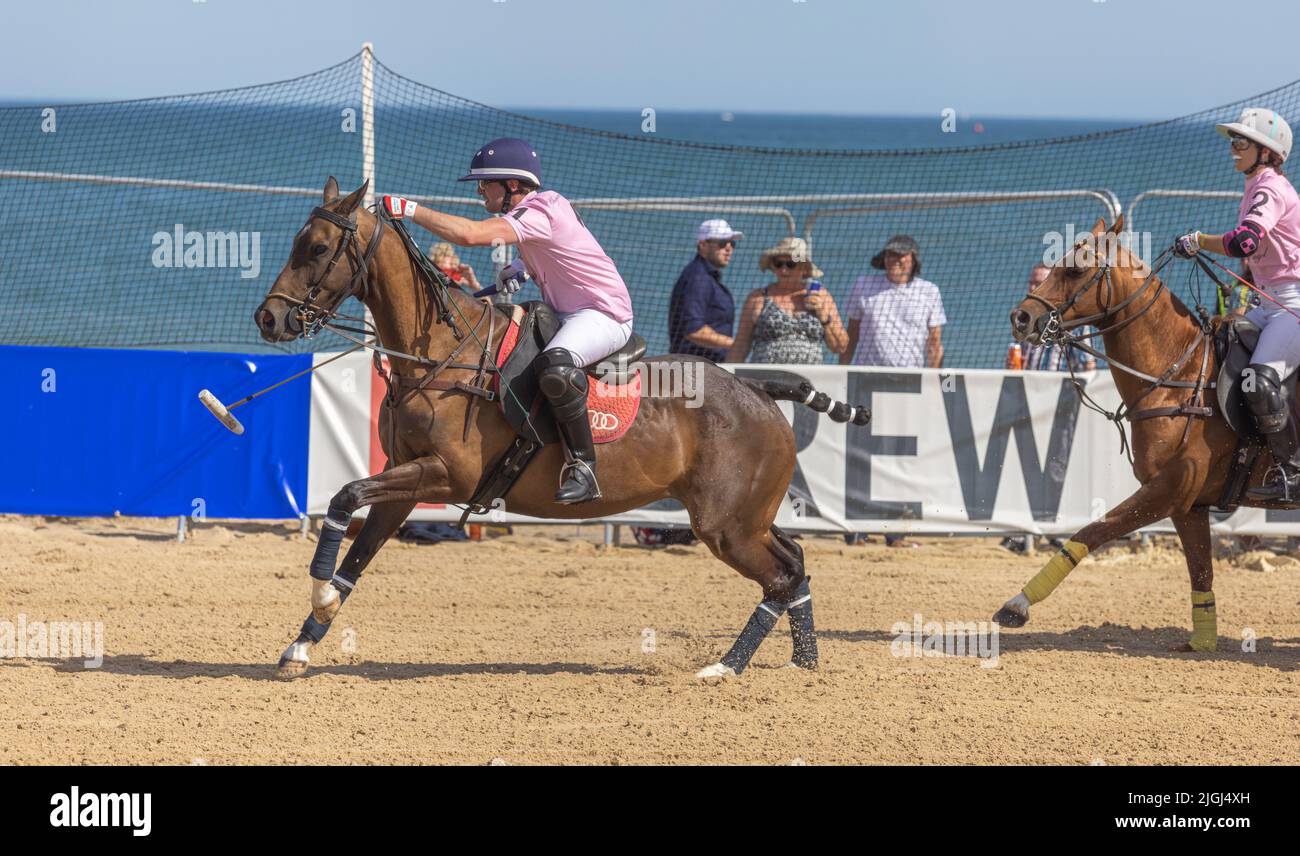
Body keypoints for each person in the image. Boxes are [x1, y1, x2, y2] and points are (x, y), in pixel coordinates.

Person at [381, 137, 634, 504]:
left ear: (512, 185)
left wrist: (408, 208)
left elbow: (469, 235)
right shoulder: (533, 212)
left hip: (604, 314)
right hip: (566, 312)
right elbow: (561, 250)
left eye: (486, 185)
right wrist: (521, 267)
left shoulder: (542, 211)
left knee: (555, 365)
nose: (481, 193)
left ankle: (583, 467)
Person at [1176, 108, 1300, 501]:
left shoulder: (1270, 189)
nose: (1232, 148)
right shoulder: (1255, 186)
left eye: (1241, 142)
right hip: (1268, 301)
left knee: (1257, 381)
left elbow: (1243, 243)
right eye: (1233, 141)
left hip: (1292, 306)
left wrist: (1199, 239)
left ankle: (1293, 473)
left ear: (1266, 152)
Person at [840, 235, 946, 548]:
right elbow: (852, 337)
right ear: (883, 259)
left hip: (908, 386)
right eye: (890, 256)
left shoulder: (928, 291)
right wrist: (840, 374)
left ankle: (894, 532)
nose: (896, 261)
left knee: (899, 457)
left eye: (902, 257)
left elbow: (934, 343)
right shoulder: (863, 285)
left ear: (913, 260)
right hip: (865, 380)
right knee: (860, 454)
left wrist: (932, 381)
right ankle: (856, 529)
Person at [1001, 264, 1095, 555]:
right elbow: (1018, 361)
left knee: (1056, 467)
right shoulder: (1023, 317)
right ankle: (1022, 531)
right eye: (1031, 282)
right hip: (1026, 404)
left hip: (1061, 405)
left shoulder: (1074, 322)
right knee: (1024, 466)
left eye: (1039, 282)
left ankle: (1053, 528)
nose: (1033, 288)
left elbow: (1088, 368)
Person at [727, 236, 848, 363]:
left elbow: (840, 347)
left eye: (791, 264)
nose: (784, 270)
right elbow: (740, 347)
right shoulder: (758, 297)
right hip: (765, 378)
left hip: (809, 379)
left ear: (803, 268)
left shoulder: (820, 295)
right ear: (772, 266)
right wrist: (725, 377)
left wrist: (824, 317)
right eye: (778, 264)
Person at [668, 220, 742, 361]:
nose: (728, 249)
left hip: (704, 368)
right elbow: (694, 330)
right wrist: (738, 345)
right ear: (702, 245)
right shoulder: (698, 278)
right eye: (722, 243)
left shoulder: (705, 277)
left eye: (732, 243)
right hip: (697, 370)